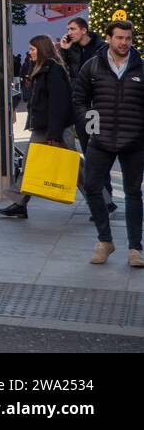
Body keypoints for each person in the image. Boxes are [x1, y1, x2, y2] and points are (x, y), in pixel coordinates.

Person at [72, 20, 144, 267]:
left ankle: (135, 248)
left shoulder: (140, 68)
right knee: (92, 187)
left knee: (134, 193)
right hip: (101, 141)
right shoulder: (93, 67)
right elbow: (79, 98)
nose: (124, 43)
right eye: (119, 38)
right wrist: (91, 126)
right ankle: (105, 240)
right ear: (109, 38)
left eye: (128, 38)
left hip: (134, 141)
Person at [0, 35, 77, 220]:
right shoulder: (43, 68)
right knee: (29, 164)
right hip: (45, 127)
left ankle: (102, 200)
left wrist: (54, 134)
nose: (30, 52)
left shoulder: (52, 69)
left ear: (42, 49)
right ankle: (19, 204)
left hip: (53, 128)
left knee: (75, 168)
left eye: (32, 49)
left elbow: (58, 103)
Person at [61, 17, 115, 215]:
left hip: (95, 109)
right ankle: (102, 199)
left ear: (84, 30)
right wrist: (64, 52)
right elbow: (65, 73)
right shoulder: (72, 48)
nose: (70, 32)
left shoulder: (101, 48)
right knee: (88, 151)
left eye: (73, 29)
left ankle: (105, 198)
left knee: (96, 152)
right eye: (69, 29)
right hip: (79, 107)